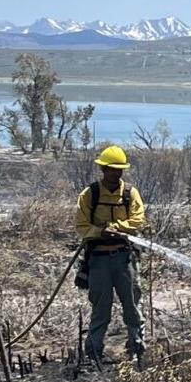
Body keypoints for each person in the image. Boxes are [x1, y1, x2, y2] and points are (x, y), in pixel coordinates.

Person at [75, 145, 146, 365]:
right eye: (111, 169)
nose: (116, 173)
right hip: (99, 261)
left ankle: (136, 349)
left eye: (119, 170)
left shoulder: (130, 193)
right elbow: (81, 225)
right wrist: (100, 232)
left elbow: (138, 219)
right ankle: (94, 354)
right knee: (100, 310)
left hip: (124, 259)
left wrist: (118, 227)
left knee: (132, 307)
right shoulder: (90, 194)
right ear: (103, 169)